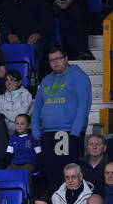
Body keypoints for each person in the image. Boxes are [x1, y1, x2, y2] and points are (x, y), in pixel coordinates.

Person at [32, 46, 92, 189]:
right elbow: (38, 106)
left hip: (67, 132)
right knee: (50, 170)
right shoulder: (46, 80)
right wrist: (35, 128)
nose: (55, 62)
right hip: (48, 133)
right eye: (51, 60)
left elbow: (84, 105)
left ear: (65, 58)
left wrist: (76, 131)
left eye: (58, 58)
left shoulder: (79, 76)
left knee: (68, 172)